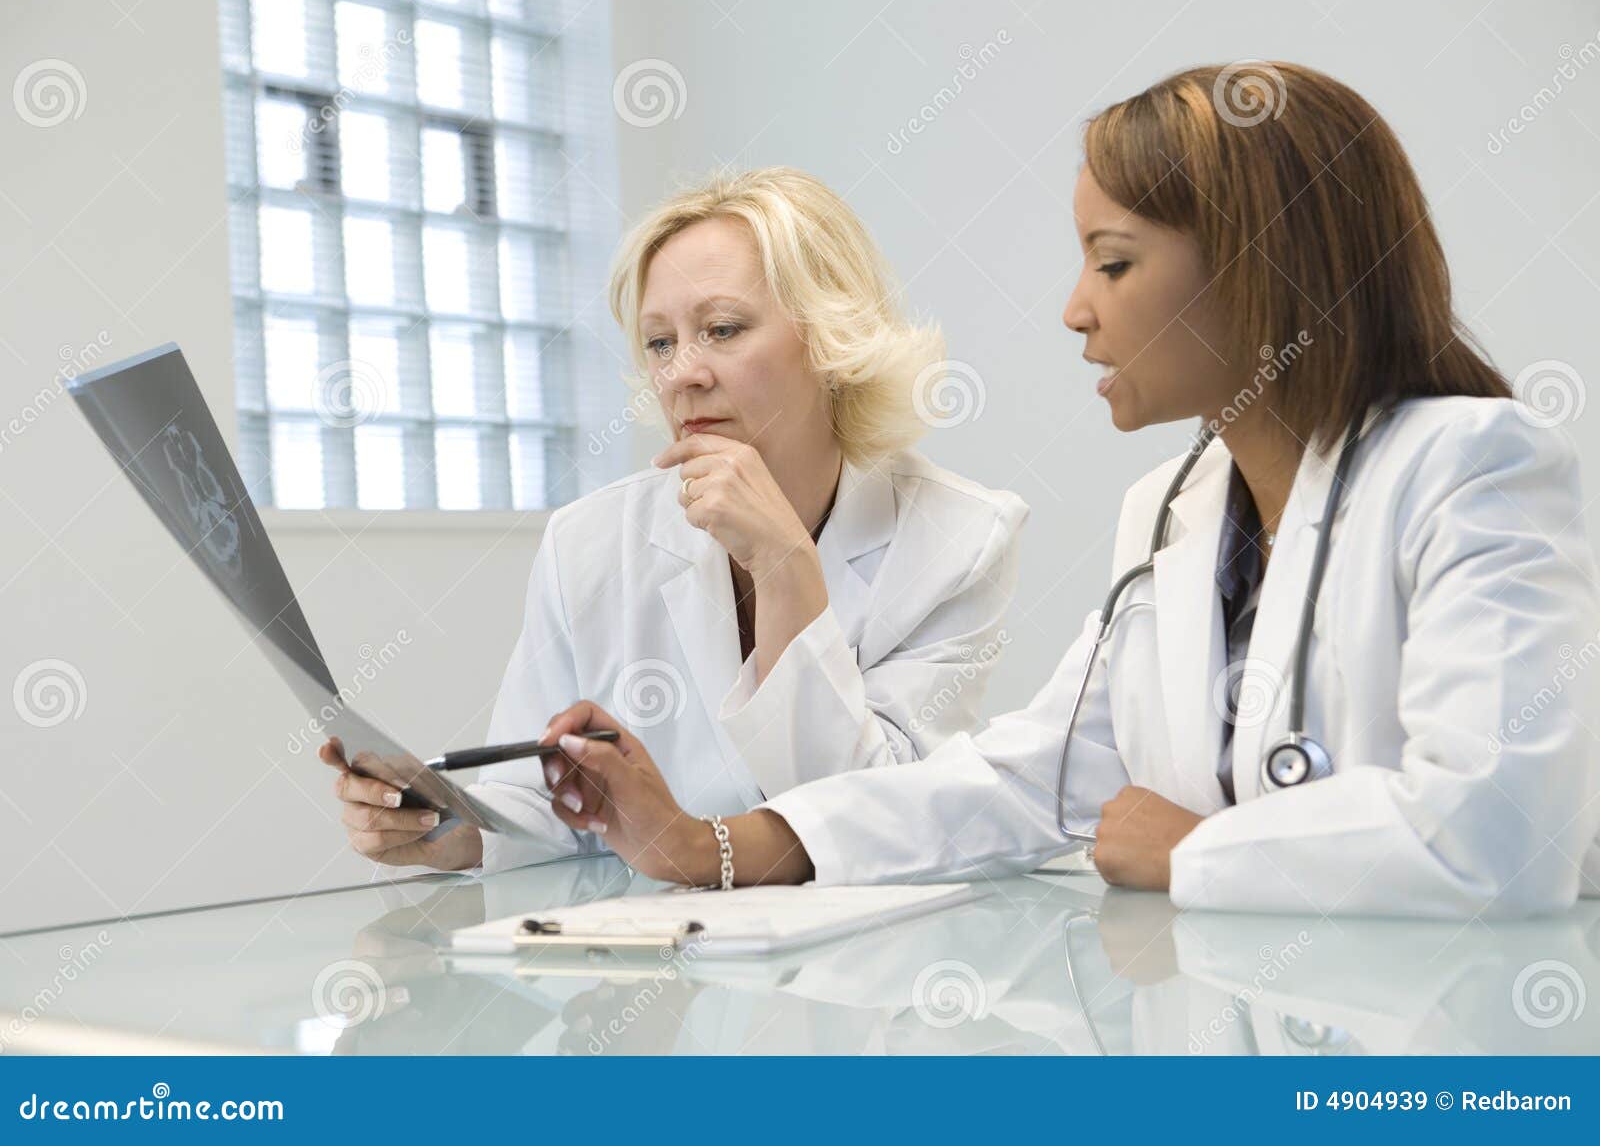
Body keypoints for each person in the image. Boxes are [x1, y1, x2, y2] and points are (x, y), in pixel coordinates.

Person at [528, 64, 1600, 919]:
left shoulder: (1471, 467)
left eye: (1113, 262)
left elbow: (1499, 837)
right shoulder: (1171, 516)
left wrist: (1196, 851)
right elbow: (1016, 780)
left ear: (1256, 267)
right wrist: (702, 846)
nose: (1074, 310)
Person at [321, 167, 1028, 873]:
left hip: (864, 966)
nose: (680, 374)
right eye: (661, 343)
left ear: (830, 339)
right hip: (663, 963)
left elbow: (877, 817)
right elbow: (543, 797)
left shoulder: (959, 539)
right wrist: (453, 826)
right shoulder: (588, 541)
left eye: (721, 329)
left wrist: (785, 564)